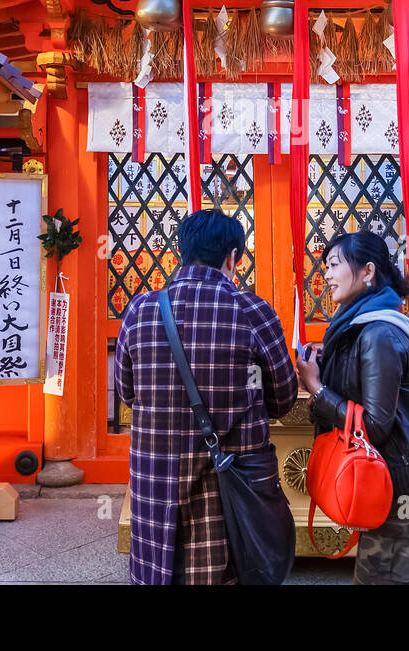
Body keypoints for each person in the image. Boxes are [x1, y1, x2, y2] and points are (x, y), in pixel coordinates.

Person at [115, 208, 298, 585]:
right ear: (233, 256)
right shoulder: (253, 311)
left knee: (161, 568)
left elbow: (127, 393)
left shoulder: (141, 310)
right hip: (231, 480)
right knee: (225, 569)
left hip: (157, 476)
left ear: (182, 250)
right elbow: (284, 399)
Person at [295, 230, 409, 585]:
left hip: (399, 488)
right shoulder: (358, 327)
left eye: (334, 265)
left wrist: (316, 387)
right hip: (384, 484)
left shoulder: (379, 334)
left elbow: (376, 425)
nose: (327, 275)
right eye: (326, 266)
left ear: (367, 272)